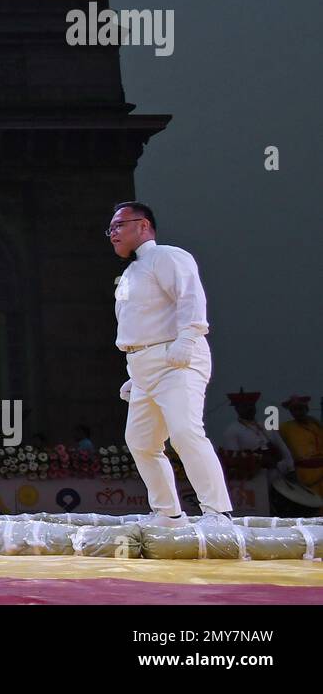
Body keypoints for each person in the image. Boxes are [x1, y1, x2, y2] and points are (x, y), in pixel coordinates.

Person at [109, 201, 233, 526]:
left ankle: (218, 512)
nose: (113, 233)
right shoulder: (131, 273)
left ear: (144, 226)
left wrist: (188, 337)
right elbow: (137, 325)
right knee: (141, 442)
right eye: (110, 229)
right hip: (144, 365)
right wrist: (135, 373)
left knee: (185, 432)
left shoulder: (167, 256)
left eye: (120, 225)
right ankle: (168, 513)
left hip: (175, 359)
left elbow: (189, 295)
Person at [280, 395, 323, 512]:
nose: (298, 412)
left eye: (300, 409)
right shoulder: (285, 428)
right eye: (294, 409)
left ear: (306, 409)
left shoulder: (316, 425)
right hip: (302, 473)